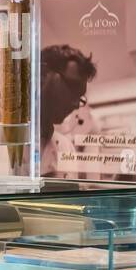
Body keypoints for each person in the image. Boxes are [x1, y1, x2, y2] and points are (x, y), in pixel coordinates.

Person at [39, 44, 98, 175]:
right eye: (73, 89)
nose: (76, 104)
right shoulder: (2, 140)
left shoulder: (66, 148)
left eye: (80, 97)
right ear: (43, 75)